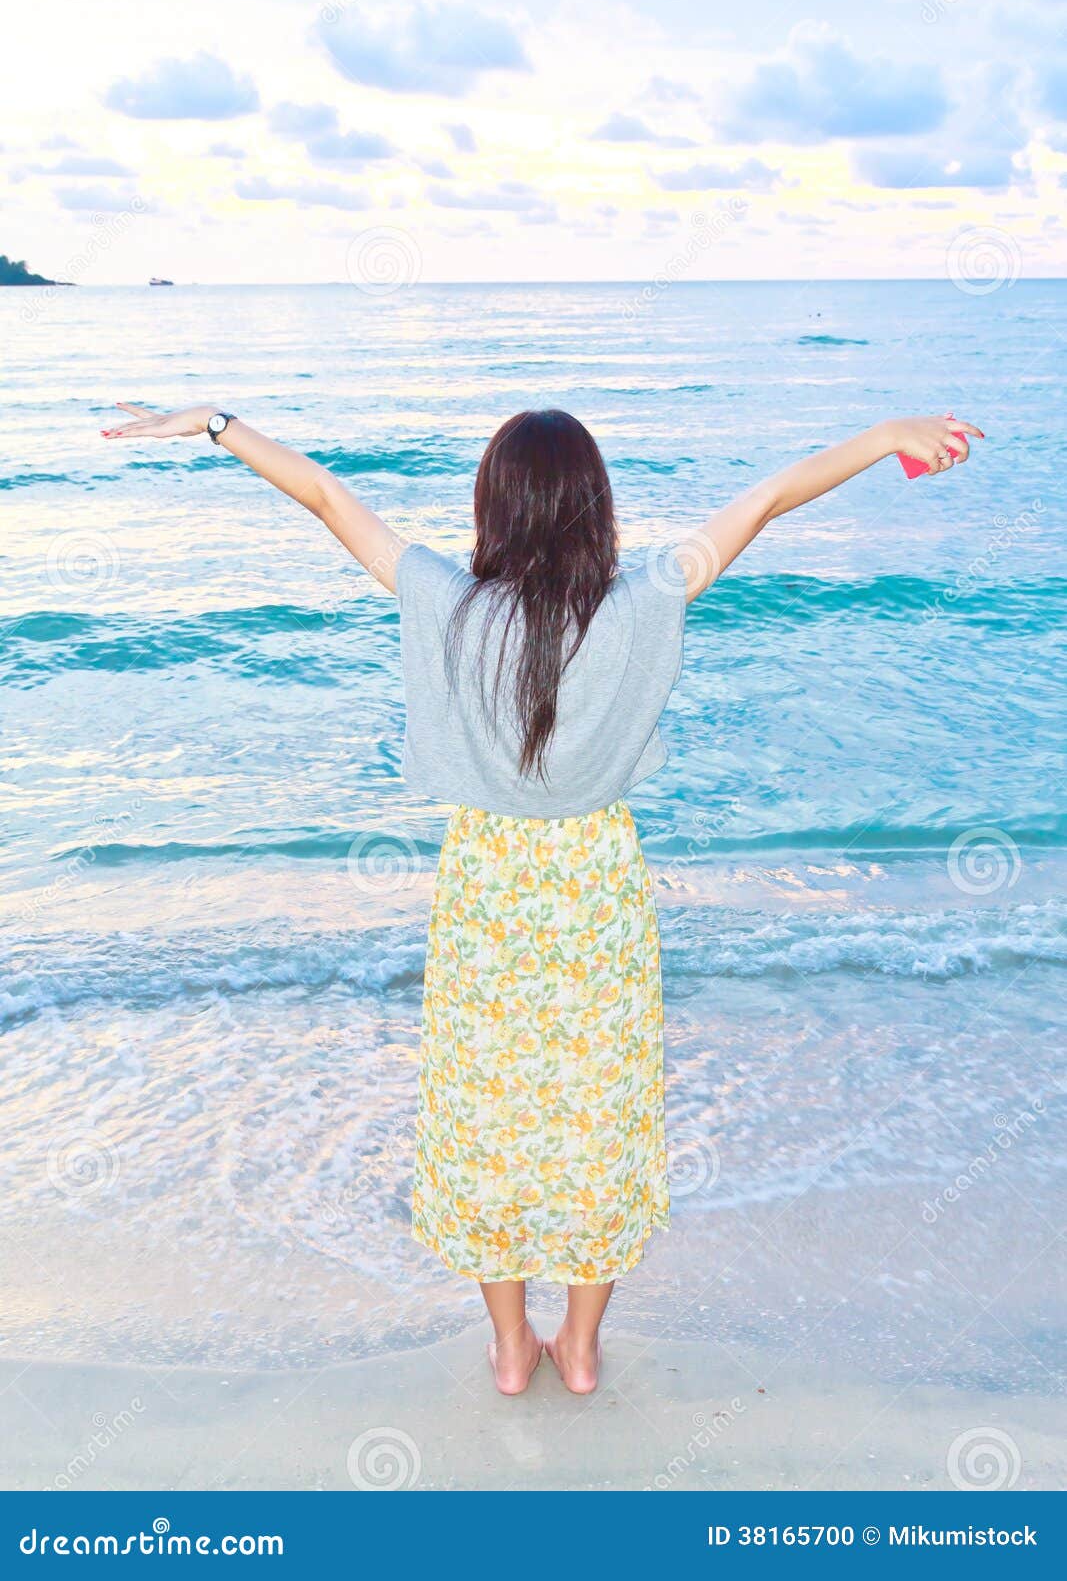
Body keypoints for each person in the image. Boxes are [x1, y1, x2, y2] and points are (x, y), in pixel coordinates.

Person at [102, 401, 981, 1396]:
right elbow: (770, 497)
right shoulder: (644, 600)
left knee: (487, 1114)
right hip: (596, 882)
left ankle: (512, 1346)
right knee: (598, 1112)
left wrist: (217, 424)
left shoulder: (445, 599)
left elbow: (323, 496)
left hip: (486, 882)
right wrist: (880, 439)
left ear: (493, 507)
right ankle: (579, 1346)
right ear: (593, 507)